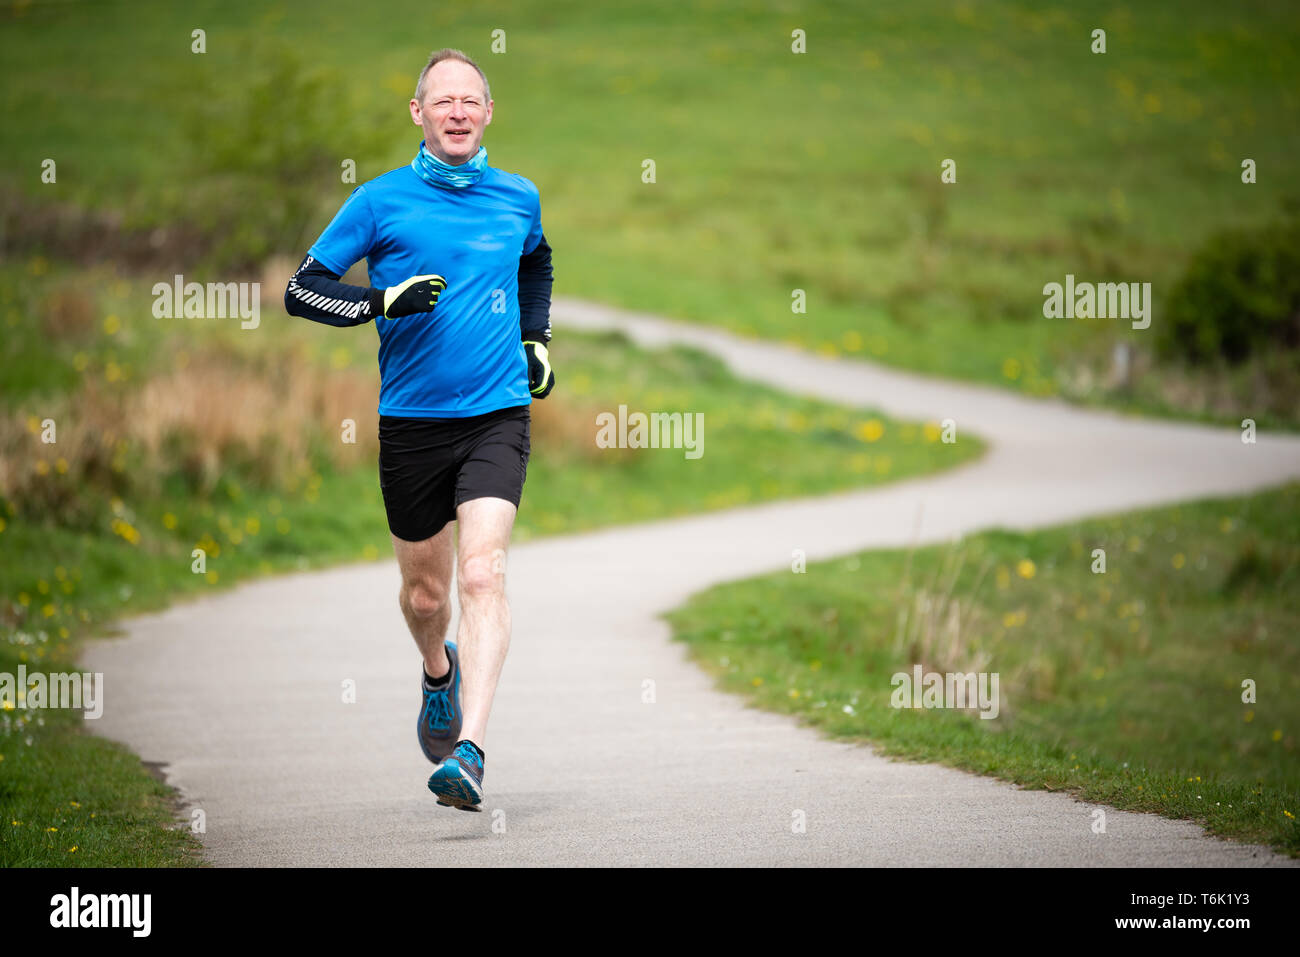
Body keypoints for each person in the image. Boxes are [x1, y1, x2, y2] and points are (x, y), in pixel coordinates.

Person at [282, 47, 554, 812]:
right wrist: (380, 300)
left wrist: (535, 339)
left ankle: (469, 752)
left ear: (489, 112)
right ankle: (439, 670)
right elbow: (302, 291)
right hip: (411, 426)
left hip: (497, 416)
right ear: (419, 114)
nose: (458, 112)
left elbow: (537, 263)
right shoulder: (379, 201)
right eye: (443, 102)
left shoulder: (518, 196)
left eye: (471, 100)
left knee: (482, 575)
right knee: (428, 594)